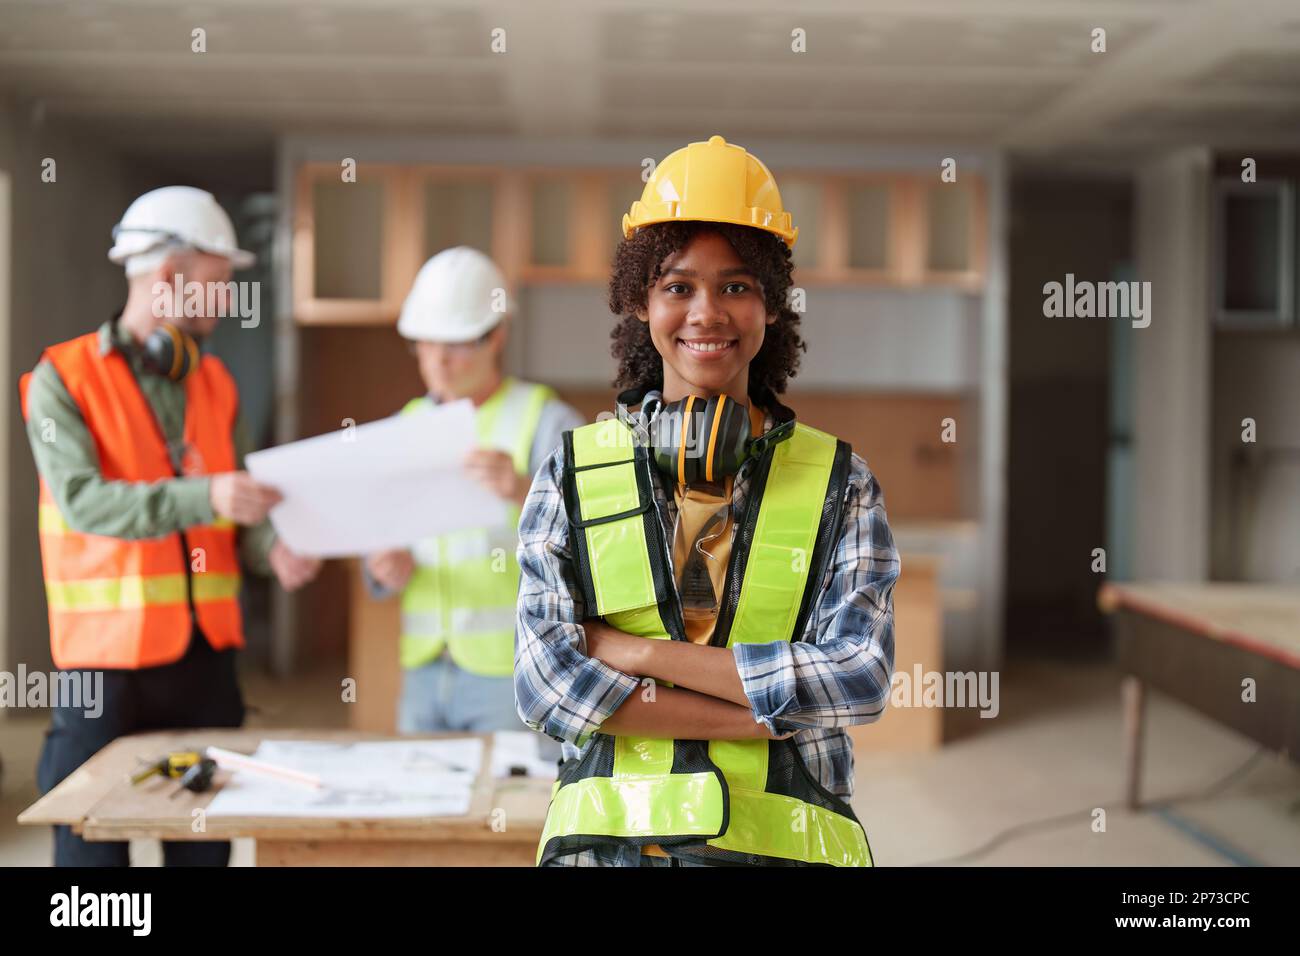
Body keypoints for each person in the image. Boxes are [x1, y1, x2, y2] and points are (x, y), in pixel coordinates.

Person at [515, 136, 900, 866]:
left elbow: (860, 677)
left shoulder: (839, 480)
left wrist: (633, 653)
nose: (706, 313)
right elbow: (545, 685)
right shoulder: (571, 471)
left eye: (735, 286)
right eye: (677, 286)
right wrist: (757, 718)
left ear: (771, 307)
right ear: (642, 303)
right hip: (611, 848)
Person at [20, 186, 321, 867]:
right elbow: (84, 504)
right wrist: (206, 494)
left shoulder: (215, 383)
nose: (226, 302)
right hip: (101, 668)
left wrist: (274, 550)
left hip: (203, 663)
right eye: (217, 286)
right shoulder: (60, 379)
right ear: (168, 277)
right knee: (93, 860)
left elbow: (235, 511)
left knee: (203, 849)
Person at [364, 246, 583, 736]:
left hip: (514, 670)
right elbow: (377, 543)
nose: (440, 360)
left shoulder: (545, 420)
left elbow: (599, 542)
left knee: (504, 808)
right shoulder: (405, 427)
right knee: (423, 808)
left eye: (458, 342)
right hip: (423, 668)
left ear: (496, 336)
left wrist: (525, 490)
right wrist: (381, 568)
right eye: (427, 343)